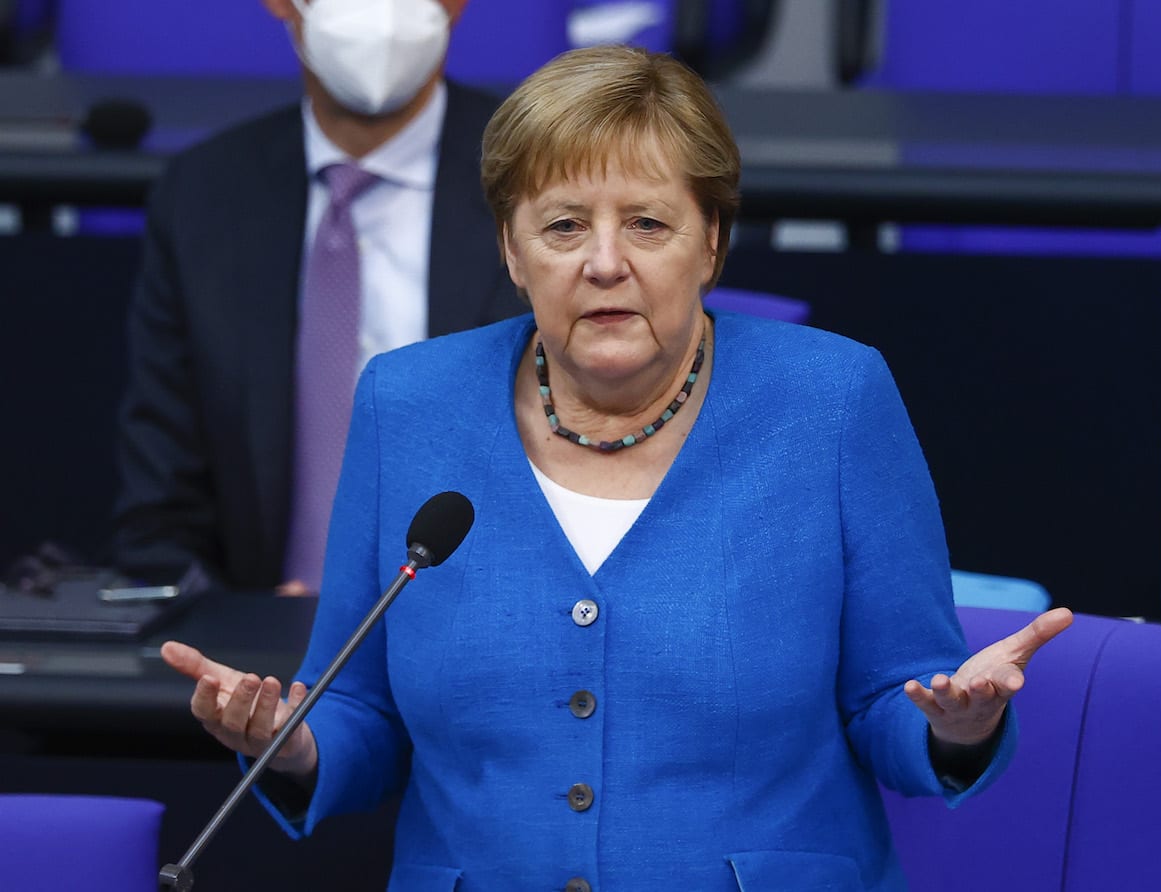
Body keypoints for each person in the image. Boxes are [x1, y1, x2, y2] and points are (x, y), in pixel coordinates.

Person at [161, 45, 1074, 891]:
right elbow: (359, 711)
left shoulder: (833, 400)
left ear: (711, 240)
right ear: (512, 251)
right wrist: (290, 746)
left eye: (647, 223)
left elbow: (890, 696)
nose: (605, 263)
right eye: (563, 226)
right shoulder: (408, 405)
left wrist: (959, 723)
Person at [112, 0, 525, 596]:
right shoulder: (203, 194)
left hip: (494, 641)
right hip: (263, 652)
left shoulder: (542, 184)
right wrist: (241, 633)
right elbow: (159, 505)